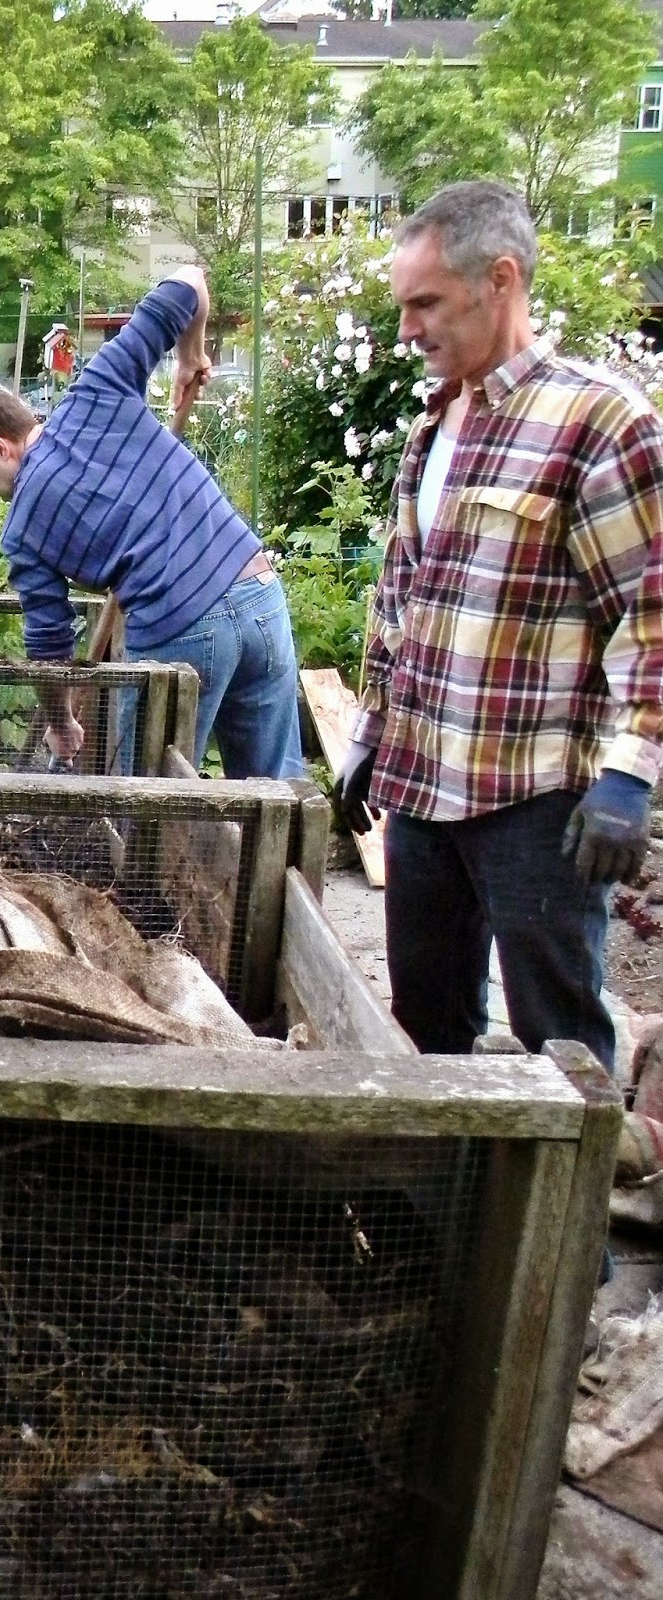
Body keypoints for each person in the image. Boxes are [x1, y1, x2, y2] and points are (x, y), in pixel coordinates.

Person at [332, 180, 663, 1068]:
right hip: (423, 791)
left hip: (534, 798)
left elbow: (652, 612)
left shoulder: (599, 422)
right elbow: (401, 600)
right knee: (427, 1027)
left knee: (559, 1036)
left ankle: (570, 1203)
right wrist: (367, 736)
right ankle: (435, 1209)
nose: (408, 329)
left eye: (425, 303)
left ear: (501, 279)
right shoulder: (432, 426)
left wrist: (630, 776)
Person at [0, 266, 303, 779]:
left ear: (0, 448)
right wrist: (190, 354)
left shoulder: (24, 529)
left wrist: (59, 721)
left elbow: (48, 650)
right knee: (276, 795)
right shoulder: (99, 387)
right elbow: (190, 282)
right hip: (259, 591)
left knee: (150, 817)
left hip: (184, 631)